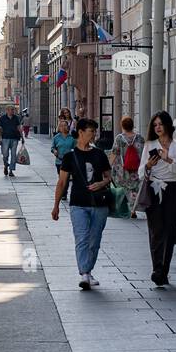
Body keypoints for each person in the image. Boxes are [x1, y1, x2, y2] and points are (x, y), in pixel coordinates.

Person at [51, 117, 113, 290]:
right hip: (78, 203)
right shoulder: (70, 156)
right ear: (80, 132)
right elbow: (62, 182)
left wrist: (102, 183)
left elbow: (109, 176)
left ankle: (88, 270)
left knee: (94, 240)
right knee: (82, 238)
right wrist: (56, 205)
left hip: (99, 204)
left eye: (94, 131)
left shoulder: (99, 154)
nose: (94, 134)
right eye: (91, 131)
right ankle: (84, 273)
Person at [138, 111, 176, 287]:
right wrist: (148, 165)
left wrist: (168, 159)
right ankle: (157, 269)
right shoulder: (149, 144)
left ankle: (164, 269)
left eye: (160, 124)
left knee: (169, 230)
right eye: (155, 125)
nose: (158, 127)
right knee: (156, 230)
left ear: (168, 125)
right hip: (154, 188)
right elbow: (140, 172)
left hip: (172, 189)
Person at [109, 116, 143, 207]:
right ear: (132, 125)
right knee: (134, 187)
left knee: (123, 187)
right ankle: (133, 207)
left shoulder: (119, 138)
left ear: (122, 126)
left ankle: (124, 205)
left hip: (122, 170)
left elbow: (114, 153)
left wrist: (108, 166)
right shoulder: (139, 138)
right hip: (136, 168)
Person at [0, 105, 23, 177]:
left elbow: (19, 127)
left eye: (13, 110)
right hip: (5, 138)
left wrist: (22, 137)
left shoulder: (16, 118)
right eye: (11, 110)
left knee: (13, 155)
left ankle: (11, 170)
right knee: (5, 154)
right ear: (7, 110)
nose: (12, 111)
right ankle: (5, 165)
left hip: (15, 138)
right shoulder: (2, 118)